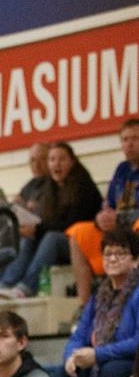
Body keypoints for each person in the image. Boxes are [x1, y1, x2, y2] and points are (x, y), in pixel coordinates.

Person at [50, 229, 139, 377]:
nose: (113, 258)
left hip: (128, 361)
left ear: (136, 260)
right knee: (62, 374)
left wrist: (97, 355)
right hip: (100, 358)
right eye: (108, 254)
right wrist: (72, 355)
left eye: (121, 253)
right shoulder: (100, 294)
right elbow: (80, 334)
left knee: (111, 370)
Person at [0, 141, 102, 298]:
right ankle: (5, 285)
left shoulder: (83, 186)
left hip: (81, 244)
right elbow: (47, 221)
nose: (56, 164)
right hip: (61, 241)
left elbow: (71, 225)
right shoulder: (49, 188)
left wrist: (38, 228)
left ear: (72, 162)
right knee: (29, 239)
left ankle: (26, 287)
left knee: (52, 238)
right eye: (52, 160)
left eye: (61, 159)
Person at [68, 119, 139, 304]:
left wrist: (120, 218)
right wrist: (101, 218)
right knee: (78, 232)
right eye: (125, 139)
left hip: (135, 226)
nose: (129, 144)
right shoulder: (122, 169)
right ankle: (84, 304)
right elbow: (108, 204)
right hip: (118, 228)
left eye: (135, 138)